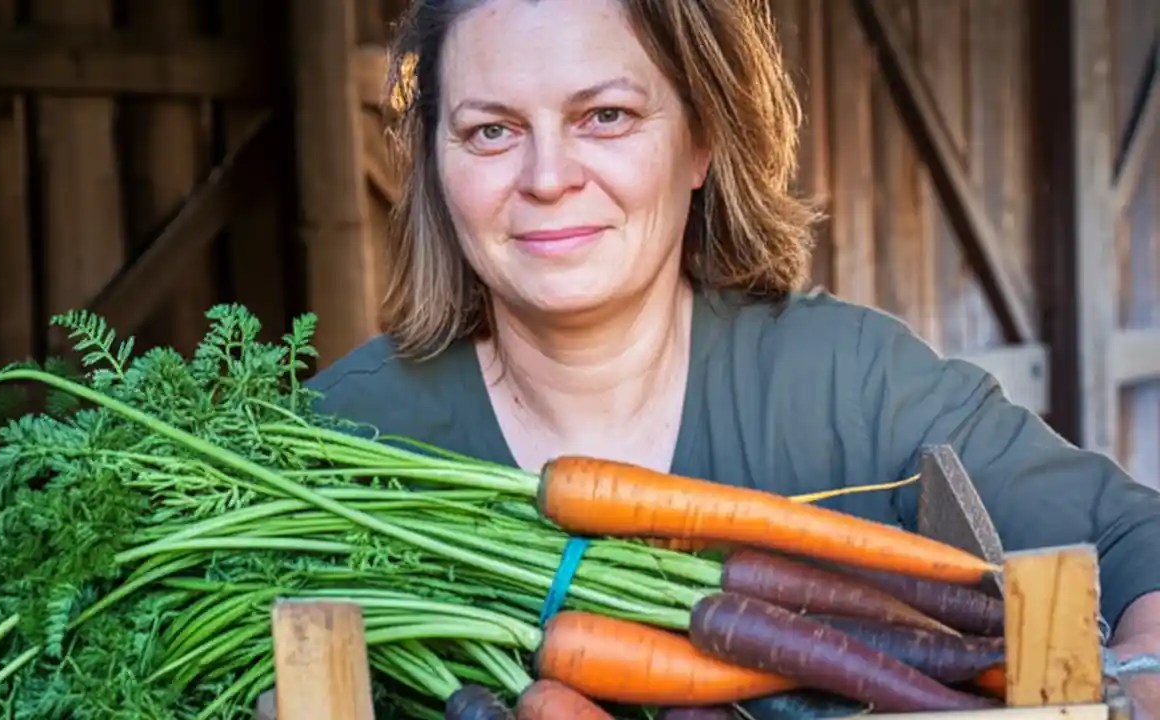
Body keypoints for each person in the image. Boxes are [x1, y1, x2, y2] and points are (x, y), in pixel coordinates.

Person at [307, 0, 1160, 713]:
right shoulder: (336, 442)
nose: (547, 176)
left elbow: (1137, 543)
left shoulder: (847, 381)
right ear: (436, 164)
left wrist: (1138, 683)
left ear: (702, 139)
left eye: (605, 115)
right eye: (491, 131)